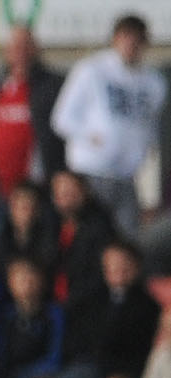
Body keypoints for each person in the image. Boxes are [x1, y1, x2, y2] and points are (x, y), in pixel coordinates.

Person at [52, 14, 167, 235]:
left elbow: (151, 132)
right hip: (91, 173)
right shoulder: (92, 70)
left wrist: (150, 186)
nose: (131, 45)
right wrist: (92, 137)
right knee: (91, 237)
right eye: (126, 38)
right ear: (115, 39)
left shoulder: (154, 82)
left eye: (138, 40)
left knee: (127, 239)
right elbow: (62, 119)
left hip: (128, 176)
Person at [0, 24, 66, 198]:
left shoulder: (52, 86)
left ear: (35, 49)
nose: (20, 52)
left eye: (25, 46)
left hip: (39, 189)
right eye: (15, 47)